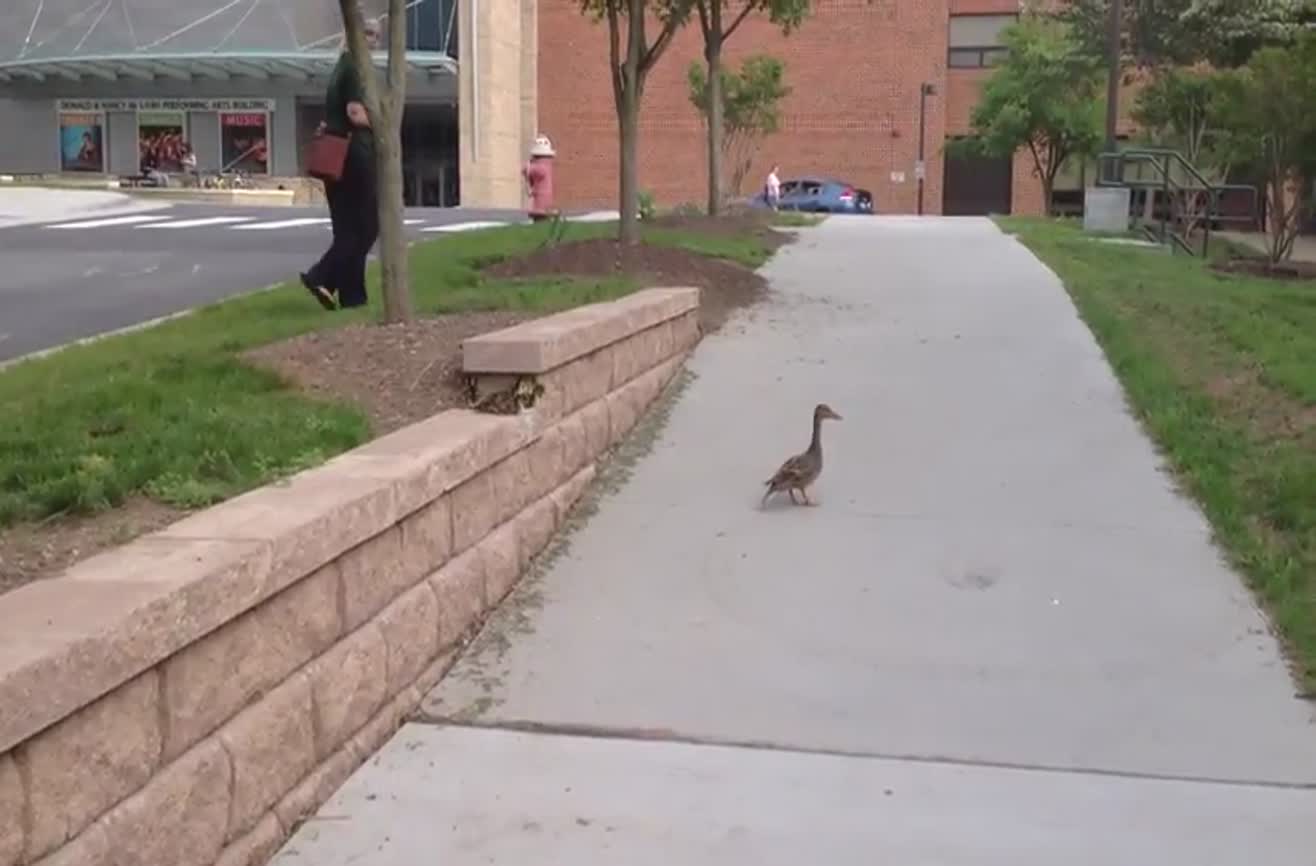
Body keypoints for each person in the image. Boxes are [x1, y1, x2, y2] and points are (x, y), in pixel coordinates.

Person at [301, 19, 381, 311]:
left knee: (347, 229)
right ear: (353, 35)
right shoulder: (356, 68)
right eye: (368, 34)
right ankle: (322, 276)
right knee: (367, 226)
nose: (374, 41)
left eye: (377, 36)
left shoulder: (340, 67)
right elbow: (355, 112)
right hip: (354, 155)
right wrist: (383, 124)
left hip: (335, 156)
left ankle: (352, 297)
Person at [523, 135, 556, 222]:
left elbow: (527, 170)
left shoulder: (540, 168)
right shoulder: (546, 166)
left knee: (540, 221)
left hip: (540, 205)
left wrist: (529, 166)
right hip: (544, 204)